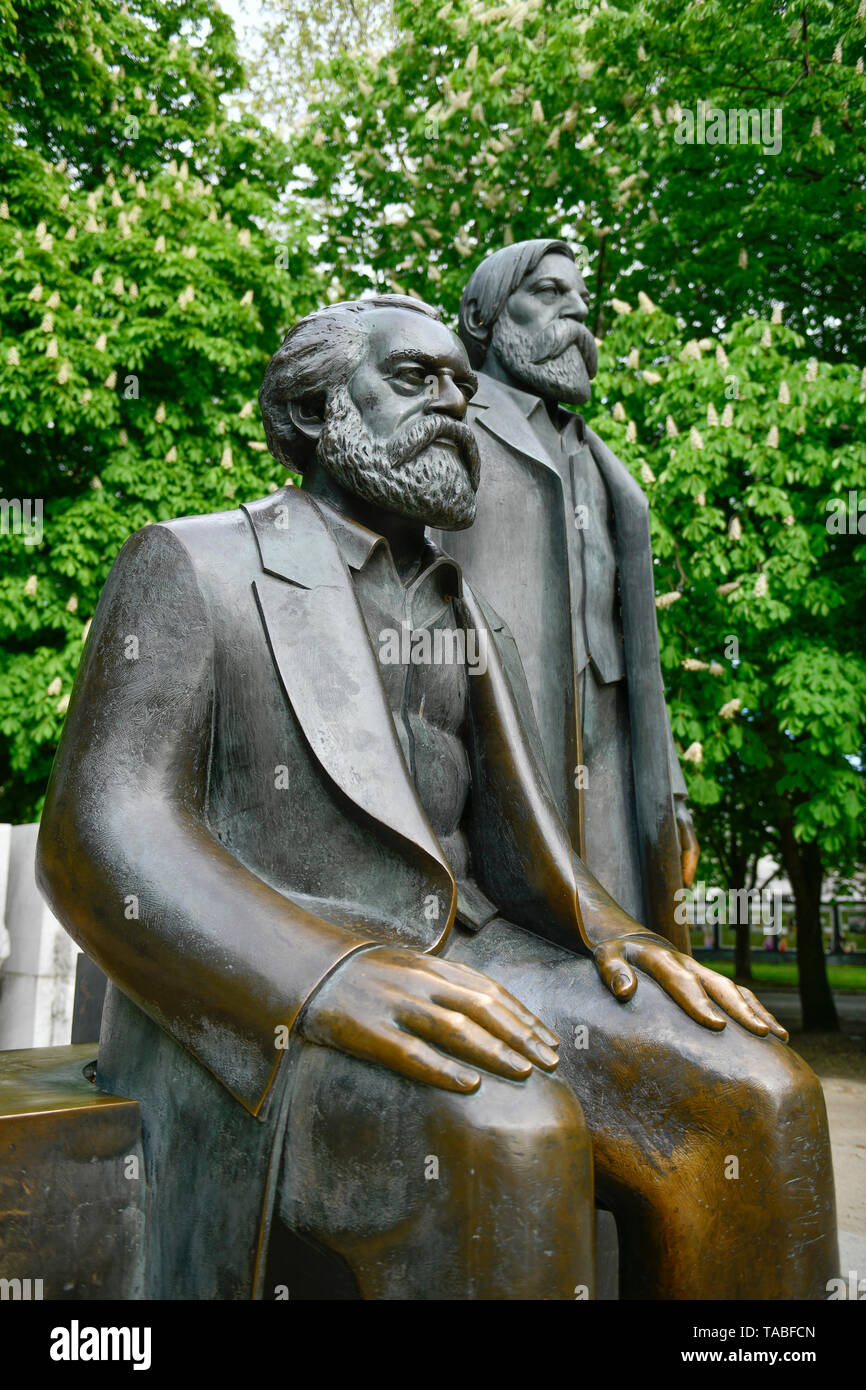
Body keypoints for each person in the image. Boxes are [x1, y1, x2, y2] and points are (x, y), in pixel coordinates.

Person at [37, 296, 837, 1300]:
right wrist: (321, 974)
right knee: (504, 1130)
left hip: (481, 958)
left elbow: (512, 846)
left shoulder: (460, 602)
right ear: (320, 410)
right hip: (270, 995)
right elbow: (101, 833)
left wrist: (613, 934)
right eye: (417, 379)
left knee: (758, 1089)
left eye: (464, 383)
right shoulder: (195, 561)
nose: (456, 403)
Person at [434, 241, 699, 951]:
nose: (579, 311)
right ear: (481, 315)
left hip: (613, 755)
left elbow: (644, 665)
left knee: (631, 962)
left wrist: (669, 792)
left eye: (581, 298)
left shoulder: (606, 469)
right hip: (500, 749)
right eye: (550, 293)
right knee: (528, 957)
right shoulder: (446, 431)